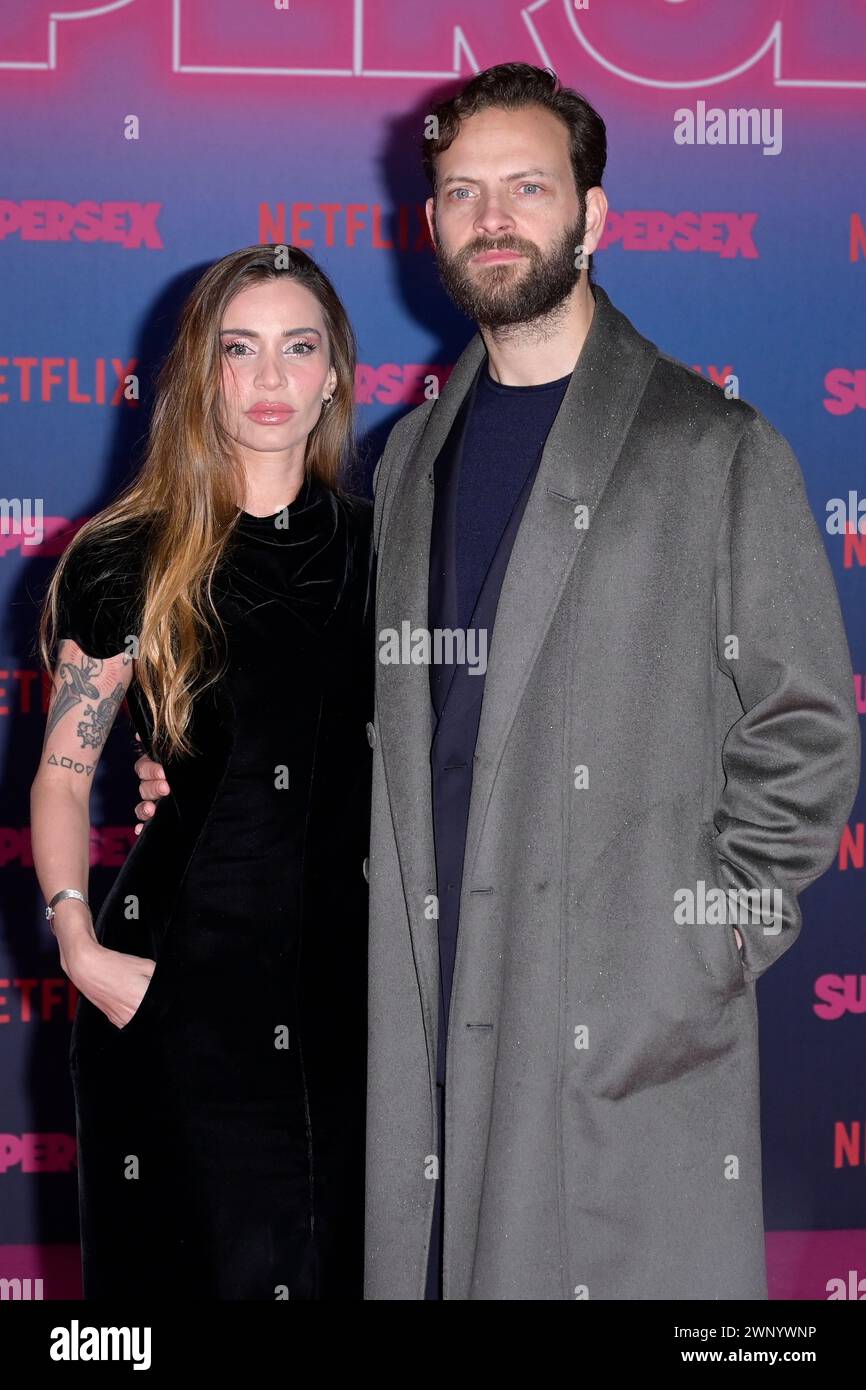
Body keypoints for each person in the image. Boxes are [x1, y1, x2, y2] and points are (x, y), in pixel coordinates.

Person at [137, 65, 861, 1302]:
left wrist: (700, 946)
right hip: (416, 1026)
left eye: (527, 186)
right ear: (427, 227)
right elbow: (340, 709)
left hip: (617, 1027)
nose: (492, 216)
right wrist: (198, 785)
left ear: (593, 213)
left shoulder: (712, 447)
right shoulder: (402, 460)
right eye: (461, 191)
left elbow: (803, 732)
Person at [31, 244, 374, 1300]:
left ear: (331, 375)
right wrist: (79, 943)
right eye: (240, 350)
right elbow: (58, 774)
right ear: (202, 372)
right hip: (174, 994)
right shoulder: (124, 554)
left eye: (296, 347)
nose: (269, 379)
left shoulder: (390, 549)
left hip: (354, 1002)